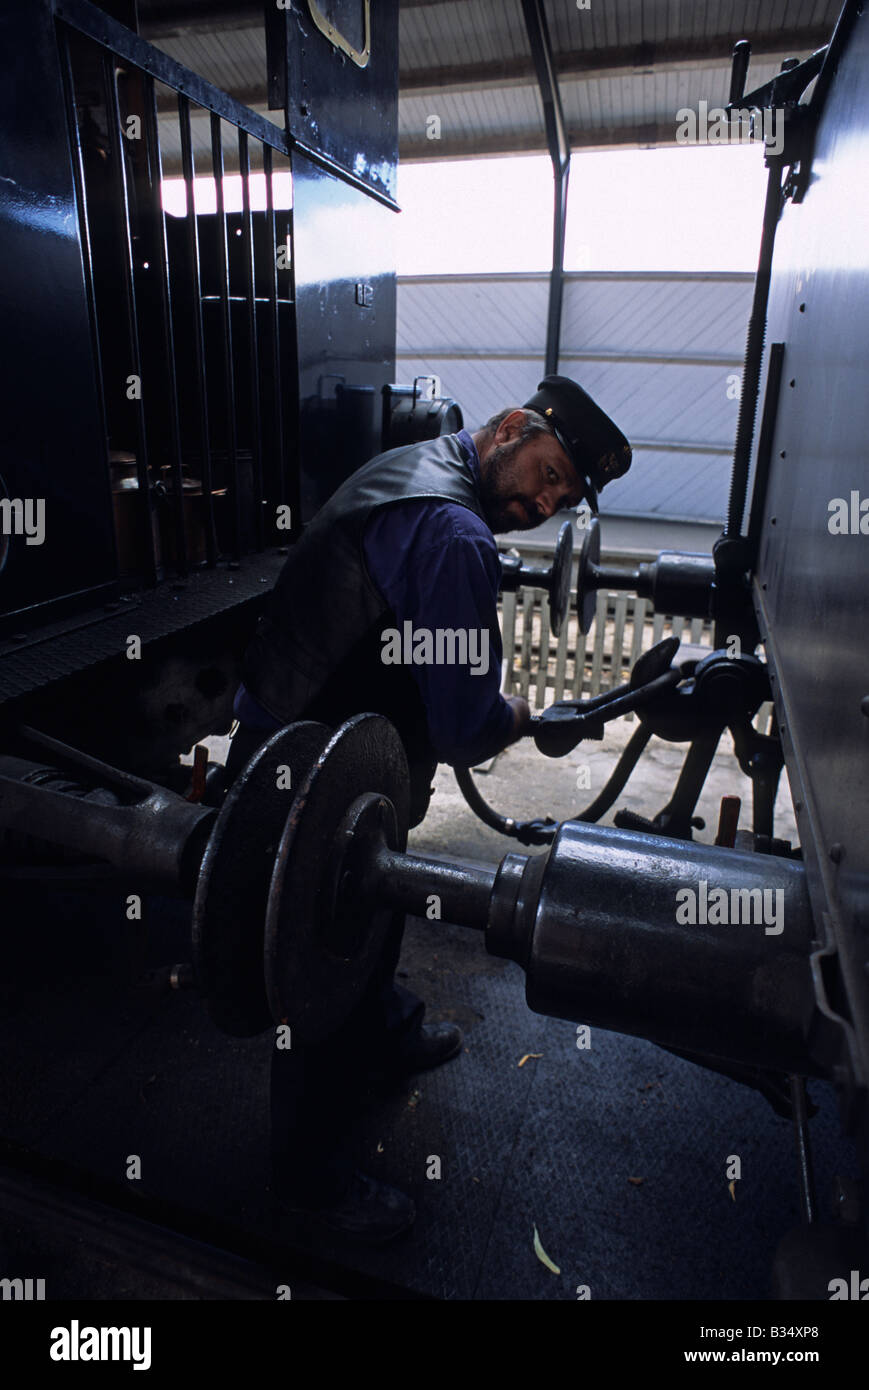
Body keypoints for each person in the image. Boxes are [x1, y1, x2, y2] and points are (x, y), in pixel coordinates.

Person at [226, 374, 631, 1243]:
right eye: (548, 474)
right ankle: (307, 1181)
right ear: (512, 430)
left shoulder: (418, 461)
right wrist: (521, 715)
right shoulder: (454, 534)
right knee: (323, 945)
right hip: (317, 768)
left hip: (286, 725)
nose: (545, 503)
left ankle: (386, 1029)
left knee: (373, 898)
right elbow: (462, 728)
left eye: (562, 497)